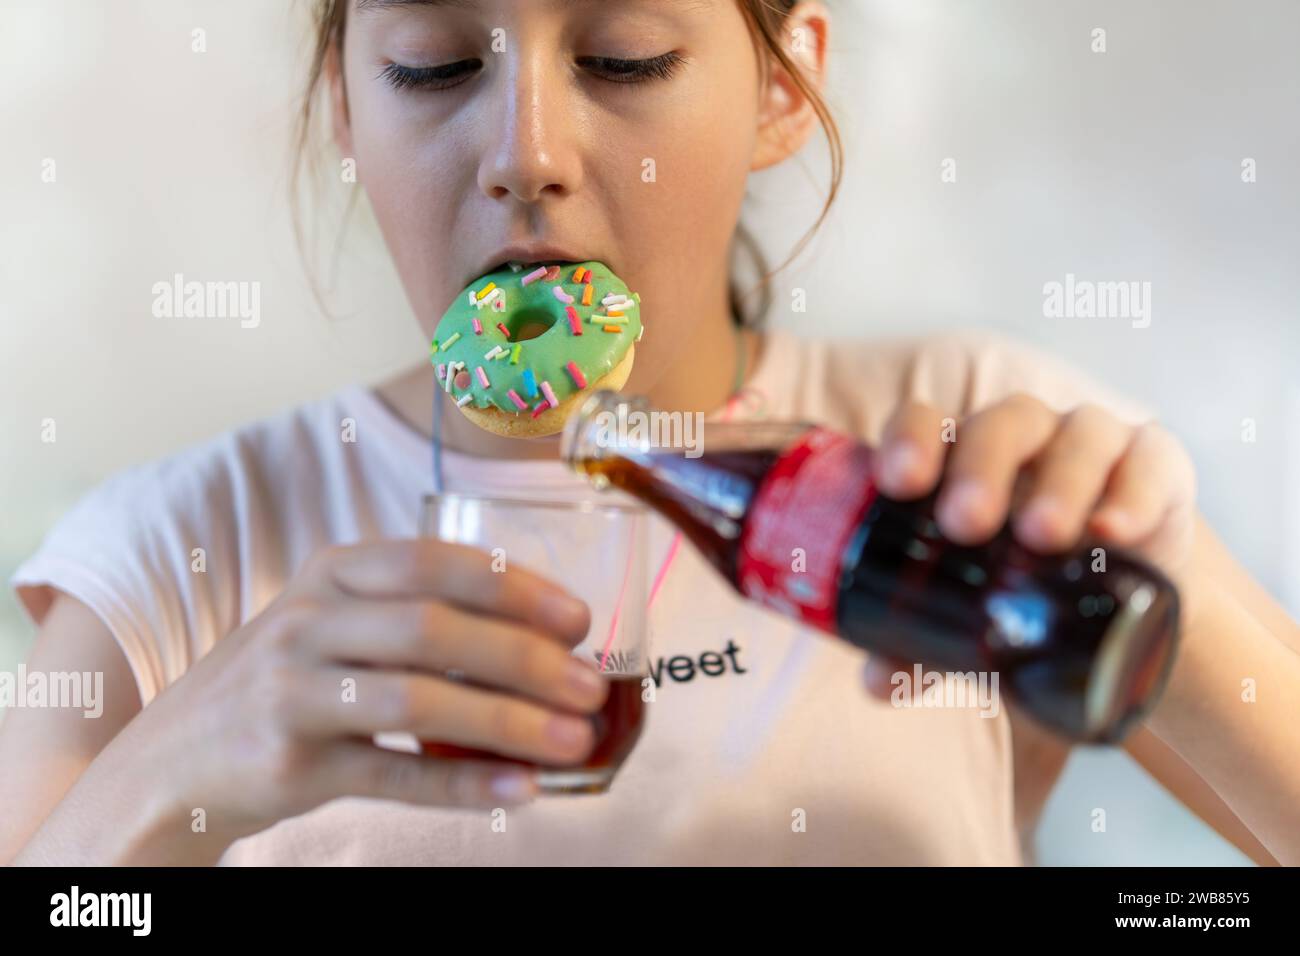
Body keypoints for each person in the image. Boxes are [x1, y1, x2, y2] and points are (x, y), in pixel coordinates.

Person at [4, 0, 1297, 866]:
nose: (526, 154)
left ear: (786, 89)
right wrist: (165, 778)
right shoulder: (182, 546)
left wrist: (1143, 608)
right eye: (434, 64)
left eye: (622, 57)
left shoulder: (961, 443)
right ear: (346, 107)